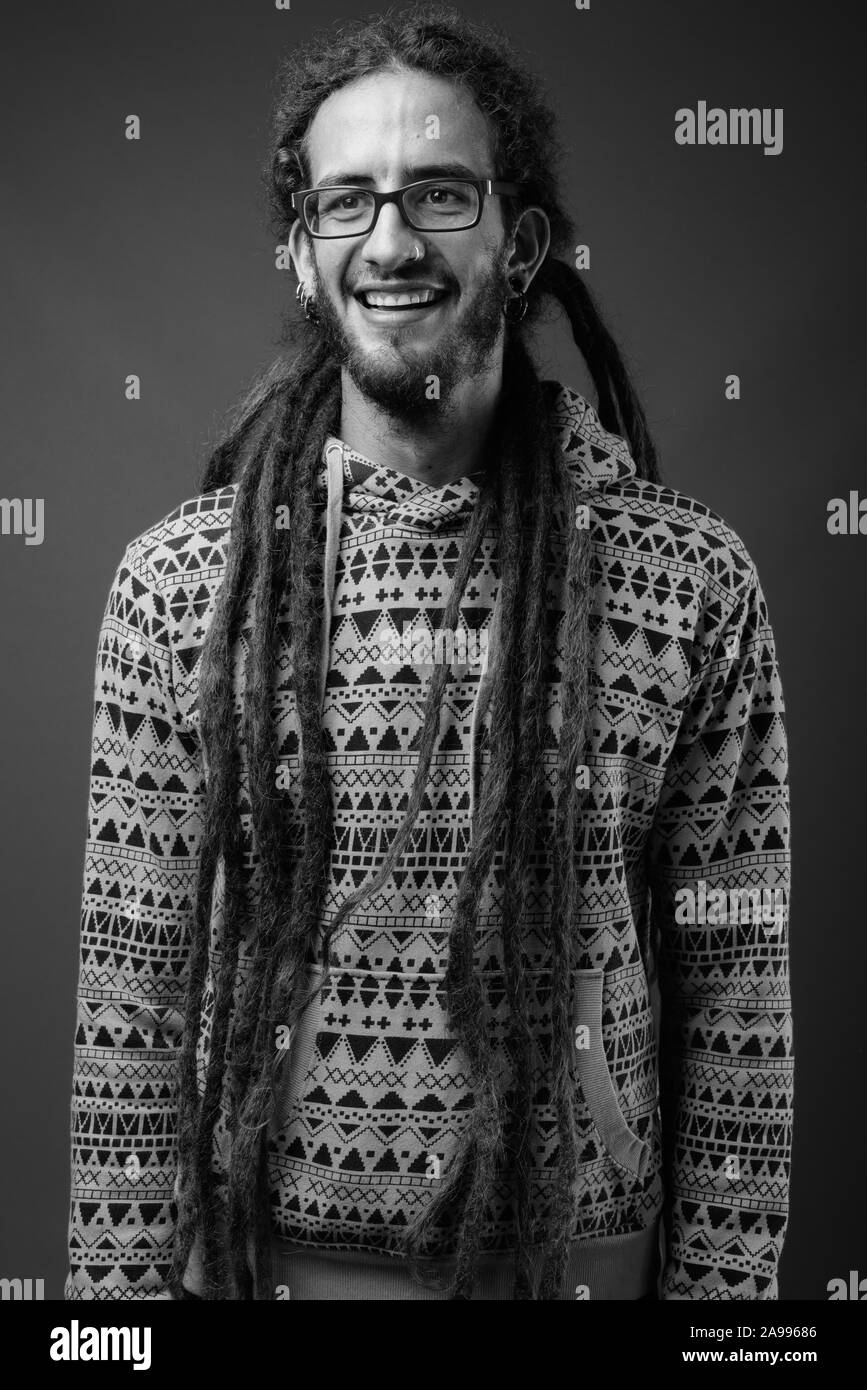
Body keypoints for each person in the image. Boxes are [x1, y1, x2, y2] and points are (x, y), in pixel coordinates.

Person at [65, 3, 793, 1302]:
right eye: (348, 203)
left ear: (518, 245)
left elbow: (738, 1010)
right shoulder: (182, 589)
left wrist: (724, 1320)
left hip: (578, 1268)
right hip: (263, 1275)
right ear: (301, 251)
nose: (390, 240)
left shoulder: (689, 580)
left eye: (436, 195)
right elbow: (130, 1017)